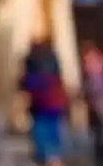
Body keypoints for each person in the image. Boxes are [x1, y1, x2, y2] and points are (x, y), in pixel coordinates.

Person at [22, 38, 69, 166]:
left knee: (41, 129)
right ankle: (55, 157)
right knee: (53, 130)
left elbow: (25, 83)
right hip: (54, 102)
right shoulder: (53, 60)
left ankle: (45, 157)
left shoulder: (31, 61)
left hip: (40, 104)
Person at [83, 41, 103, 164]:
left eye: (90, 61)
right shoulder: (89, 77)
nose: (87, 65)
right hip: (96, 111)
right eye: (85, 62)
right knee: (97, 136)